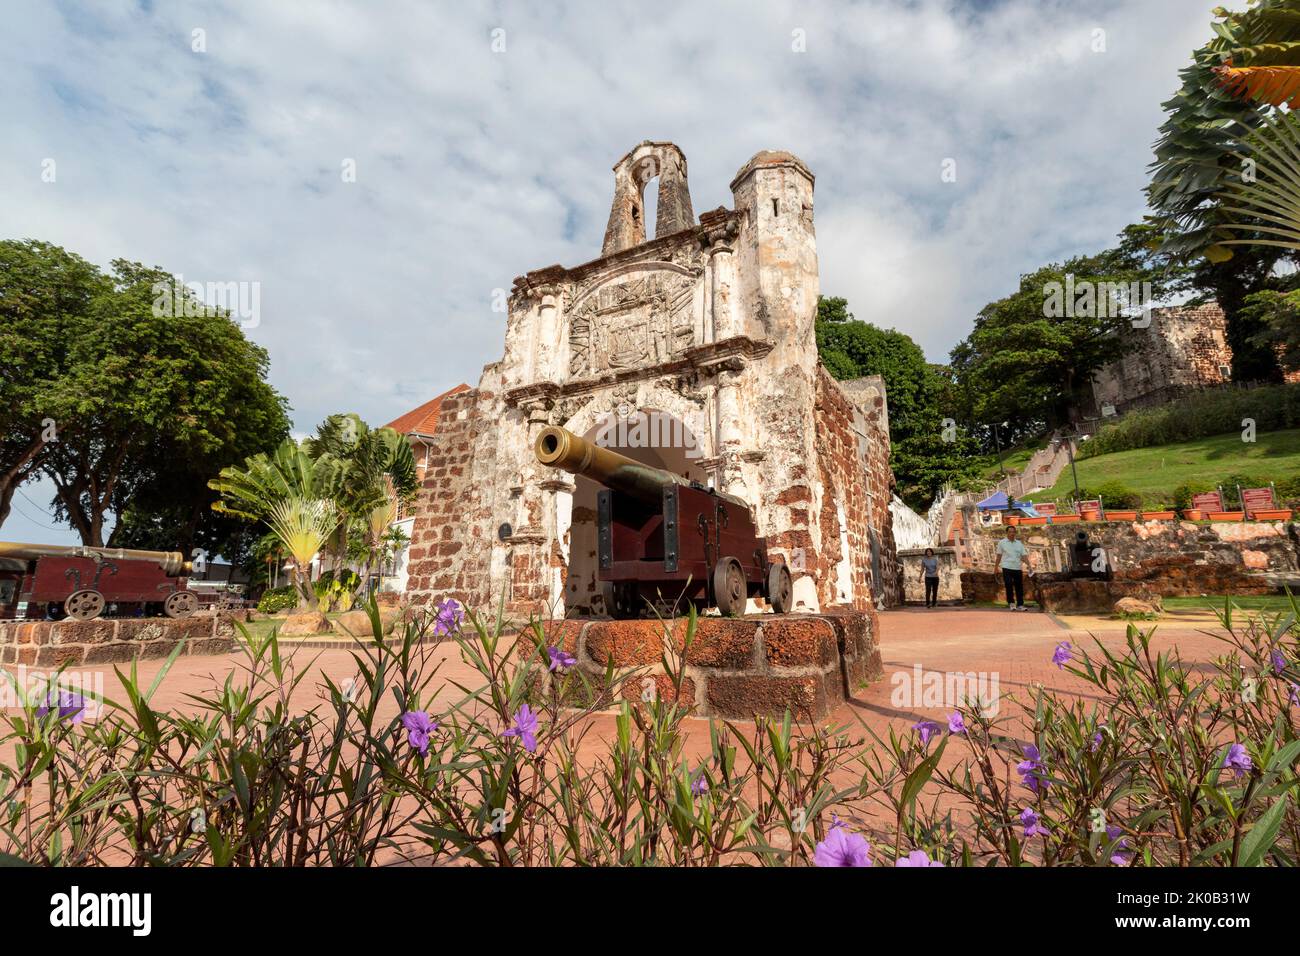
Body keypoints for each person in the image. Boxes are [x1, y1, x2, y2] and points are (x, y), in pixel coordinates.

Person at [996, 525, 1030, 611]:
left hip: (1017, 567)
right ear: (1007, 533)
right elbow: (999, 556)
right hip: (1006, 567)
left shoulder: (1019, 543)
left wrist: (1029, 565)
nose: (1012, 533)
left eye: (1013, 532)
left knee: (1019, 587)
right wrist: (996, 567)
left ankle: (1020, 605)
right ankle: (1011, 603)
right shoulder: (1002, 543)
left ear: (1015, 533)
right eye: (1010, 532)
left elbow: (1024, 556)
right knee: (1009, 585)